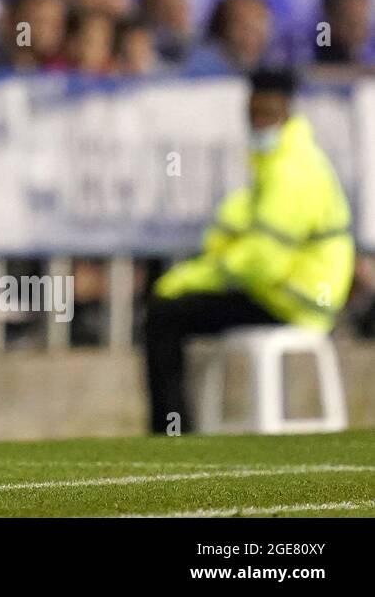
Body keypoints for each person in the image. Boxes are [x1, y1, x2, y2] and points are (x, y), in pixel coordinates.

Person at [144, 69, 354, 434]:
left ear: (286, 113)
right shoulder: (280, 163)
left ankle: (170, 430)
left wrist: (187, 279)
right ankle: (175, 426)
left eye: (265, 113)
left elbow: (261, 262)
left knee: (165, 314)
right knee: (174, 309)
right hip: (287, 293)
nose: (257, 123)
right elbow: (240, 231)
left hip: (290, 298)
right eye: (252, 113)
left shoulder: (290, 172)